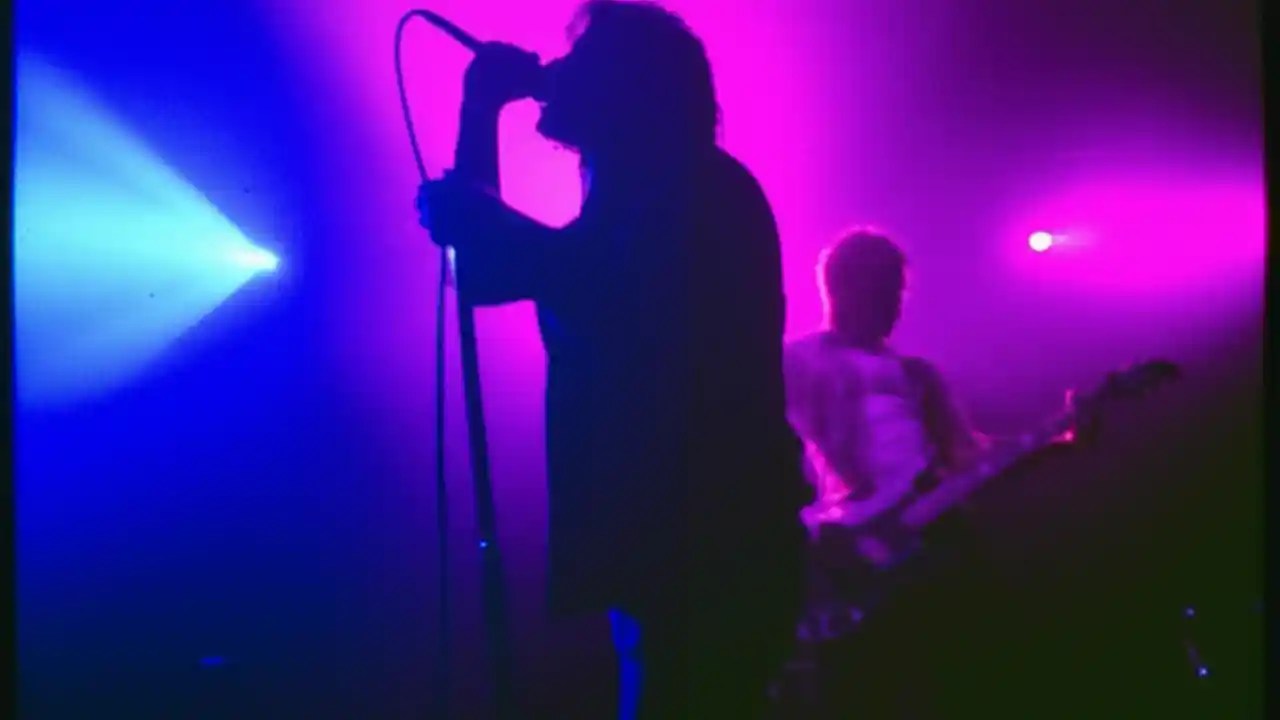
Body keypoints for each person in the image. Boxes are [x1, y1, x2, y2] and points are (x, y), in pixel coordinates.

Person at [416, 2, 809, 718]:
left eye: (582, 56)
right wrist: (479, 113)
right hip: (664, 546)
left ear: (630, 85)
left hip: (711, 546)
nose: (556, 69)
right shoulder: (615, 209)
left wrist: (479, 207)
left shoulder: (708, 188)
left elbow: (615, 291)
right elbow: (485, 271)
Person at [783, 229, 992, 718]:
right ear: (841, 287)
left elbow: (967, 458)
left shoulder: (919, 374)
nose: (895, 305)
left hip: (923, 548)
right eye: (884, 289)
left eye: (898, 291)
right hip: (842, 549)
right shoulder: (793, 362)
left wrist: (1059, 438)